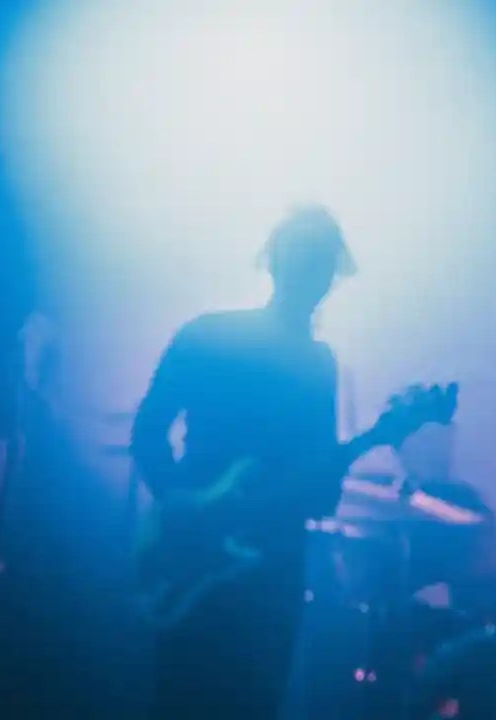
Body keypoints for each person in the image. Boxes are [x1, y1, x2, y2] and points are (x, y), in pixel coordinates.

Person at [131, 206, 360, 718]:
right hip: (261, 572)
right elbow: (147, 432)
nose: (311, 276)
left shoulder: (211, 334)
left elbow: (147, 433)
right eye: (310, 263)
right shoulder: (298, 359)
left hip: (250, 566)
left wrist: (180, 503)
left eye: (315, 264)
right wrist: (186, 505)